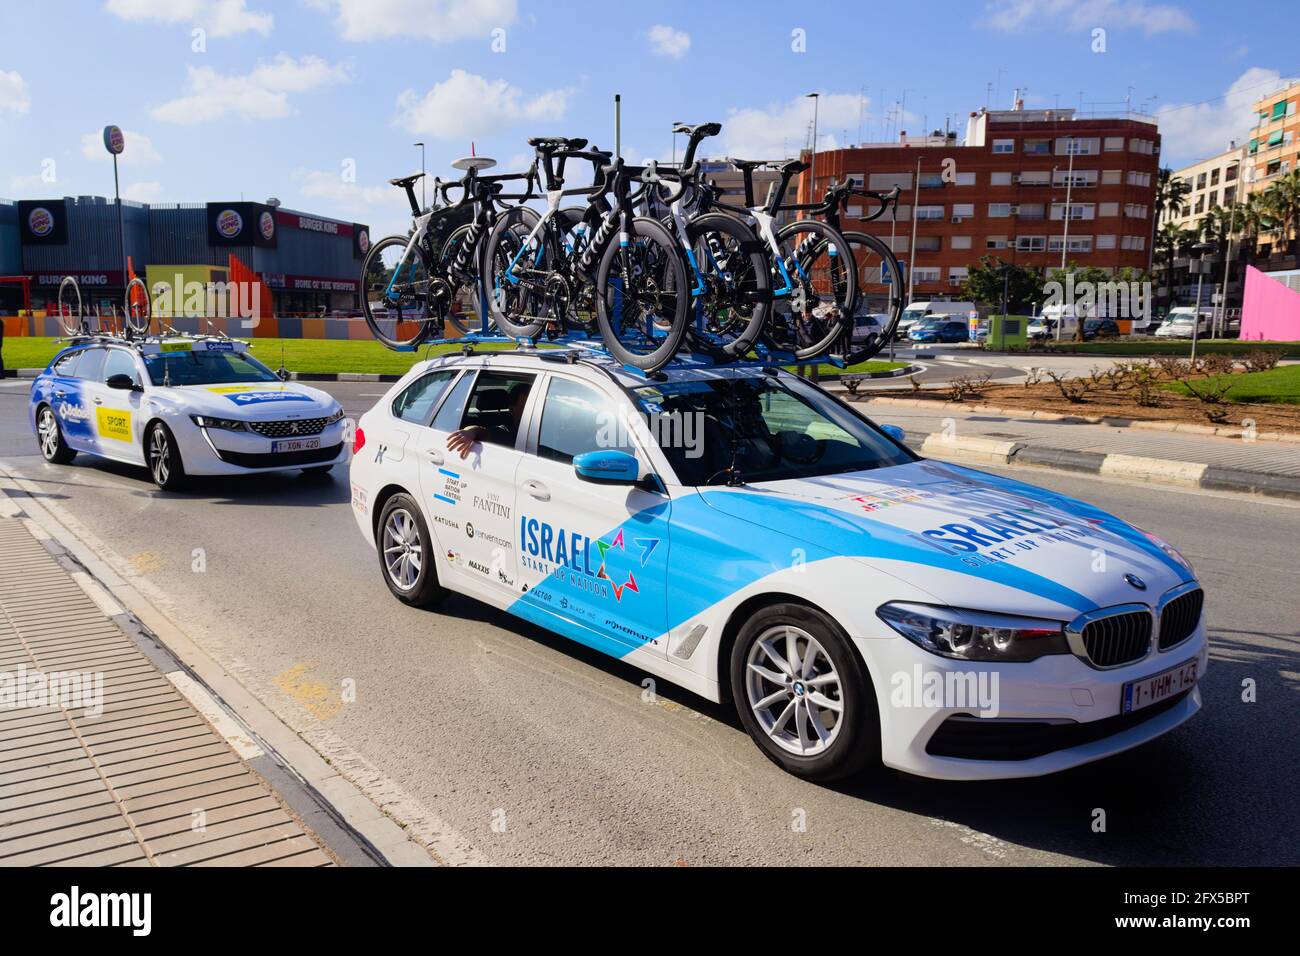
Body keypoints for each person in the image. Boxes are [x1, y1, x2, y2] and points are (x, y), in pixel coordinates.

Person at [447, 382, 531, 459]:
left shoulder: (539, 430)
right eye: (529, 400)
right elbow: (480, 431)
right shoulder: (509, 432)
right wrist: (470, 432)